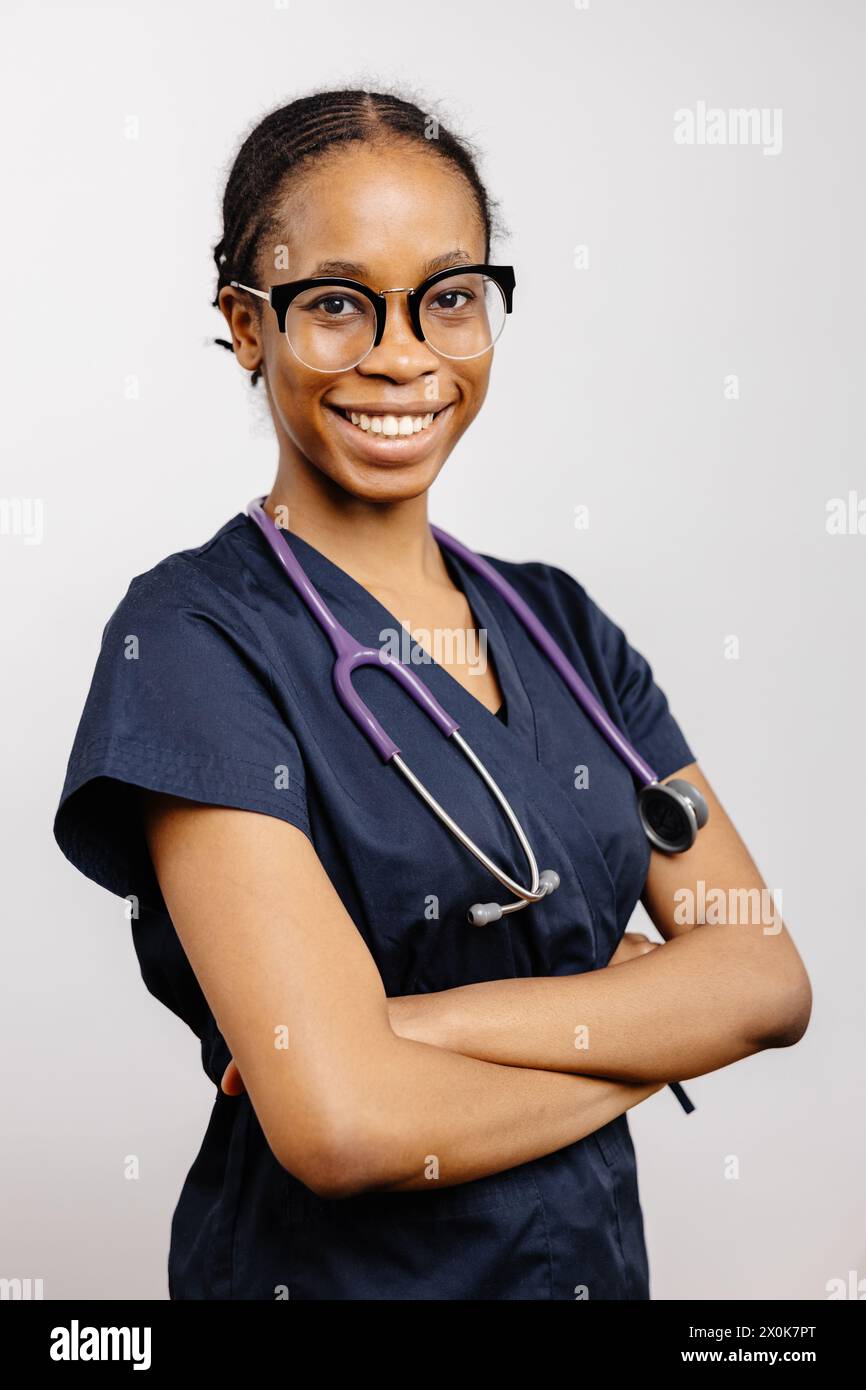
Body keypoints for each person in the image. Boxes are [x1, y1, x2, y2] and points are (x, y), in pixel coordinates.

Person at [53, 87, 812, 1301]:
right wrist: (643, 1018)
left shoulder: (561, 628)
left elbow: (766, 980)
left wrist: (411, 1027)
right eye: (338, 302)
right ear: (247, 326)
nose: (402, 354)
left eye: (448, 297)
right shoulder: (192, 639)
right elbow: (342, 1124)